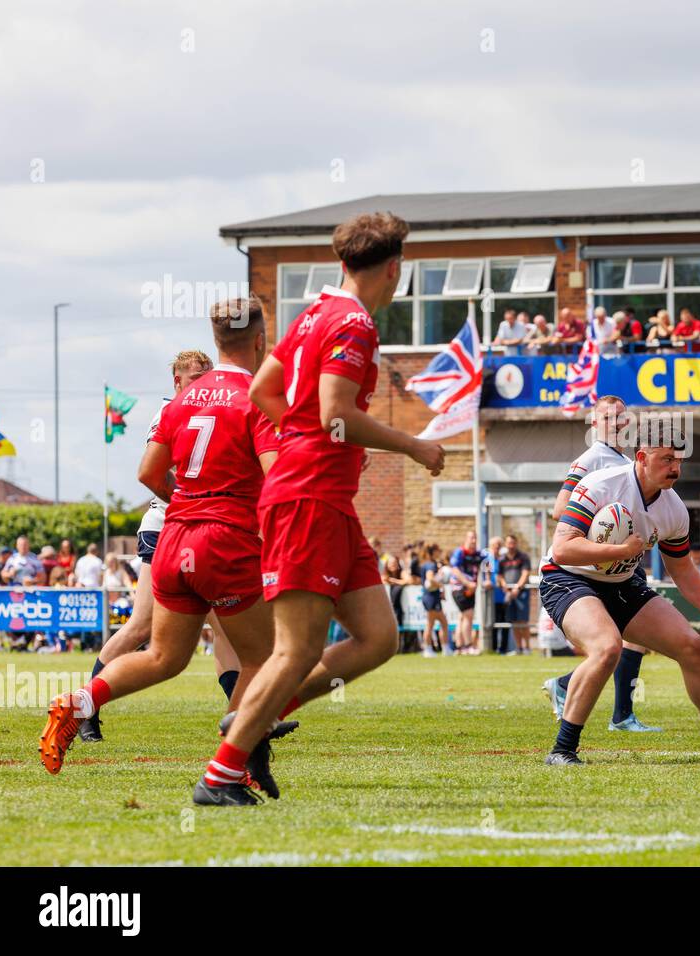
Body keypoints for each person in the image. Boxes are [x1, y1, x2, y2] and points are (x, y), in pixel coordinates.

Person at [200, 212, 445, 806]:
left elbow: (264, 391)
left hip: (324, 496)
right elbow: (337, 411)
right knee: (297, 651)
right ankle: (220, 777)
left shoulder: (312, 312)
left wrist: (302, 437)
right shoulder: (354, 322)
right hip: (307, 496)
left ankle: (254, 717)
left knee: (378, 637)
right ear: (393, 269)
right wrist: (414, 445)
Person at [39, 296, 285, 797]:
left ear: (217, 342)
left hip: (172, 537)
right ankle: (232, 769)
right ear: (260, 341)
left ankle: (80, 701)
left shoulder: (181, 402)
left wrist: (190, 502)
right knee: (268, 657)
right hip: (225, 540)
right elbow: (276, 477)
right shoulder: (258, 396)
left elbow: (149, 473)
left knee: (164, 656)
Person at [538, 441, 700, 766]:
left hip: (622, 583)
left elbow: (681, 568)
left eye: (678, 460)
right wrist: (620, 551)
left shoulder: (674, 508)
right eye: (666, 459)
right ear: (641, 458)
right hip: (567, 579)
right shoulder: (601, 485)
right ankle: (562, 749)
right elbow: (563, 549)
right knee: (607, 648)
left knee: (692, 646)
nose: (675, 468)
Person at [77, 349, 220, 742]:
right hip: (165, 525)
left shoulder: (212, 410)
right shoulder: (170, 413)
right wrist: (193, 505)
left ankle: (250, 721)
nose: (203, 387)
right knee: (141, 625)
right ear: (177, 382)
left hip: (196, 526)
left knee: (223, 624)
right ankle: (85, 708)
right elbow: (152, 475)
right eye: (195, 380)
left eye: (208, 378)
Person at [542, 396, 657, 731]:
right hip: (600, 564)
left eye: (622, 416)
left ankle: (571, 688)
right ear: (595, 425)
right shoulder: (592, 458)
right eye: (609, 417)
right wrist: (604, 537)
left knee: (633, 638)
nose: (618, 422)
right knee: (624, 639)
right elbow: (559, 509)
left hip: (625, 559)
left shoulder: (622, 458)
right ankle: (620, 715)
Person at [499, 534, 533, 654]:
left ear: (516, 543)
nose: (511, 546)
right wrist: (505, 587)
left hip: (521, 592)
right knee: (514, 621)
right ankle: (519, 648)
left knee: (523, 621)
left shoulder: (523, 557)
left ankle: (527, 648)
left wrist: (517, 587)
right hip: (509, 593)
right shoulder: (502, 559)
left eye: (513, 543)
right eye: (509, 543)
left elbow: (525, 573)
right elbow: (500, 576)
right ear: (506, 544)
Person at [450, 530, 482, 653]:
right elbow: (455, 570)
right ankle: (468, 646)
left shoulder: (478, 554)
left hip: (471, 589)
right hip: (459, 589)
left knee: (463, 617)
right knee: (468, 615)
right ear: (466, 539)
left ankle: (459, 647)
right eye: (471, 538)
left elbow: (487, 564)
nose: (473, 540)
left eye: (475, 538)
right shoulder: (460, 552)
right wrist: (467, 583)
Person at [418, 544, 447, 655]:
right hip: (431, 597)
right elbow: (430, 578)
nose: (440, 552)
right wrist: (441, 586)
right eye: (438, 550)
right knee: (432, 624)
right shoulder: (430, 565)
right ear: (434, 551)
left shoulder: (429, 563)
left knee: (442, 623)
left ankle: (444, 648)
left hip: (431, 597)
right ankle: (429, 649)